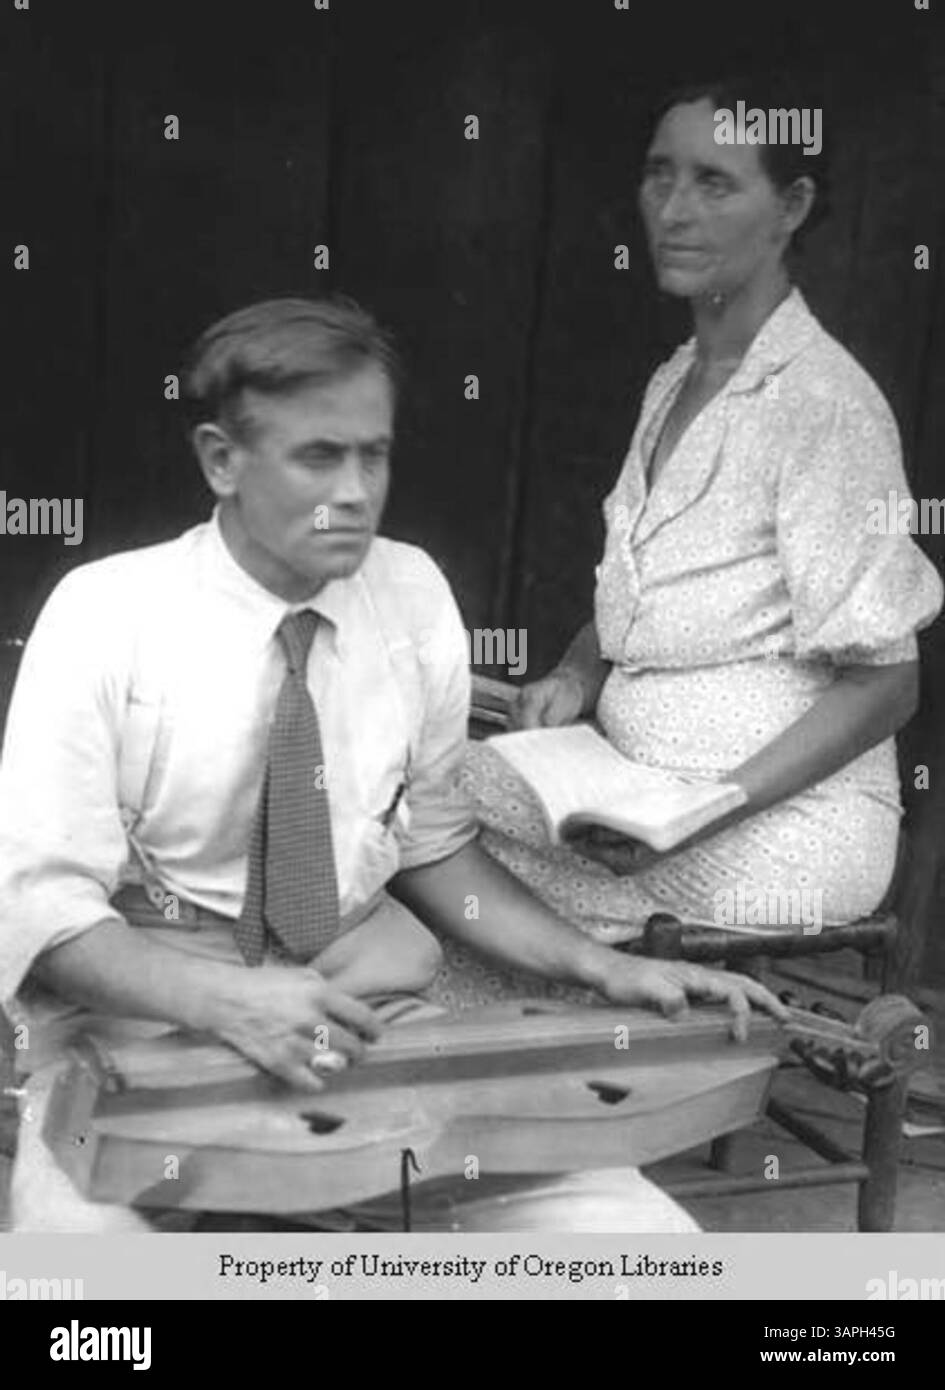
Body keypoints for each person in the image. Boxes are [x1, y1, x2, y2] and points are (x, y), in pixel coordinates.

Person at [0, 296, 781, 1235]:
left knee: (634, 1246)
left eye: (373, 454)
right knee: (82, 1283)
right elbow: (41, 909)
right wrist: (233, 1002)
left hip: (369, 1020)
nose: (357, 490)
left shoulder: (410, 595)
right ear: (221, 460)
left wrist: (595, 966)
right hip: (147, 1027)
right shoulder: (105, 614)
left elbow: (435, 849)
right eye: (318, 456)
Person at [459, 76, 943, 960]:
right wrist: (577, 675)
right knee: (404, 781)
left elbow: (887, 684)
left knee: (428, 848)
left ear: (790, 205)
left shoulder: (823, 406)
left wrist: (702, 807)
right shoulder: (676, 377)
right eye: (658, 176)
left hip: (782, 831)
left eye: (714, 183)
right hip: (636, 794)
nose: (673, 210)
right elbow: (649, 590)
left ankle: (538, 1067)